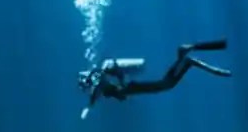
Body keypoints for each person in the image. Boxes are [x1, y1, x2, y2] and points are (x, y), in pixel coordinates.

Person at [77, 39, 232, 119]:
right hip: (143, 85)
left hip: (150, 86)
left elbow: (95, 95)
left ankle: (215, 70)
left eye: (85, 86)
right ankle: (189, 56)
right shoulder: (100, 85)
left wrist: (86, 110)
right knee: (181, 68)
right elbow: (94, 97)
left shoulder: (99, 85)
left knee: (183, 67)